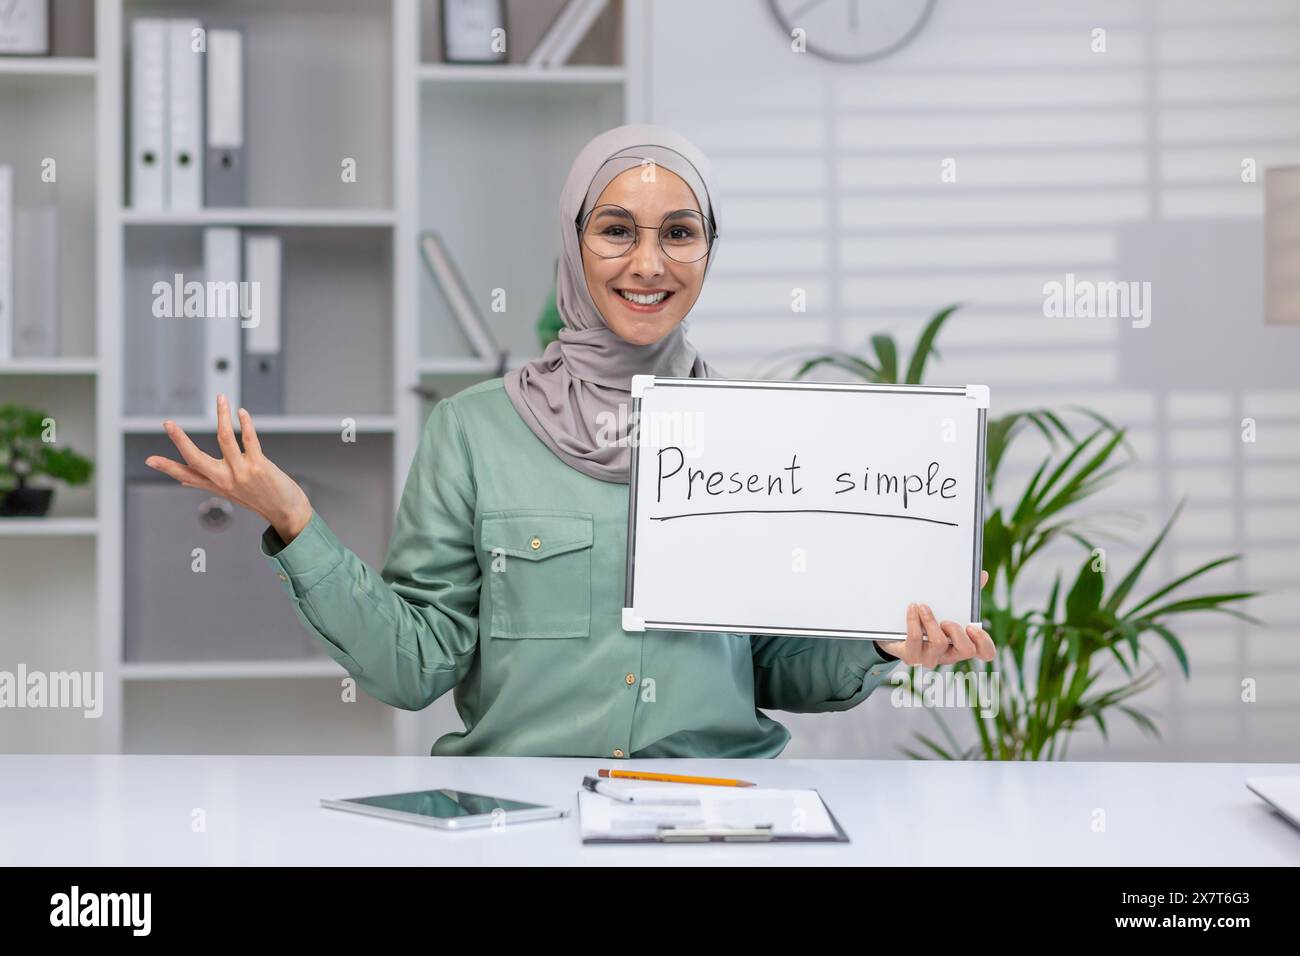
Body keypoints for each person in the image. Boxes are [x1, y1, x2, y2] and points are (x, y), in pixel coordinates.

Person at [144, 124, 995, 758]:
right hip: (526, 819)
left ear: (709, 249)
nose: (649, 264)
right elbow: (413, 667)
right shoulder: (473, 431)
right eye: (617, 229)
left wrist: (883, 641)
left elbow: (770, 668)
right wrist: (296, 524)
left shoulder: (755, 435)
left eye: (681, 233)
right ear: (574, 241)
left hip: (723, 813)